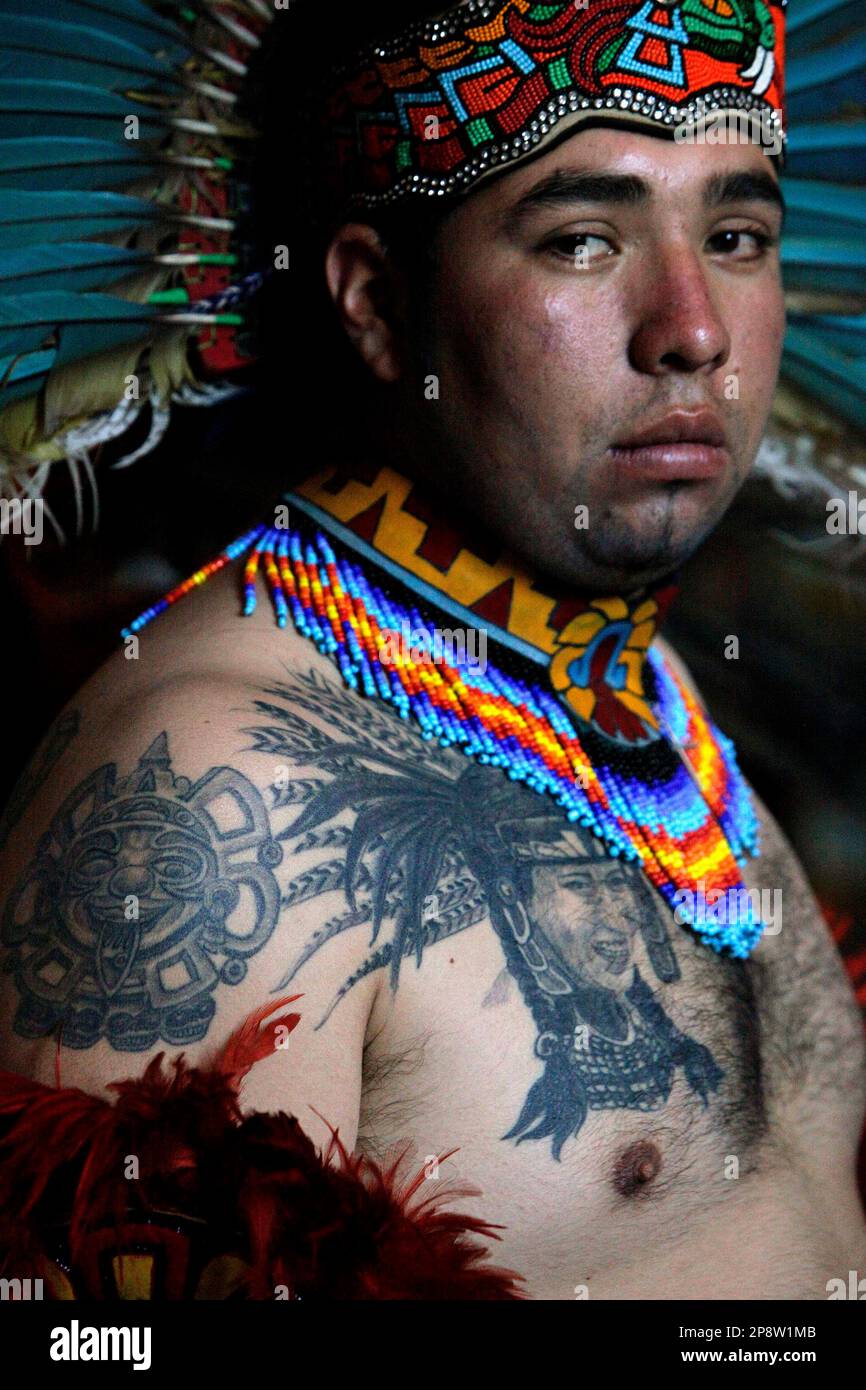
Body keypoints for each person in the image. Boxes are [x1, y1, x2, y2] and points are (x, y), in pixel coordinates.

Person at [1, 0, 865, 1301]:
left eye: (734, 235)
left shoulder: (632, 687)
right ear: (377, 302)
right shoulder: (211, 793)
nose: (692, 327)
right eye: (583, 239)